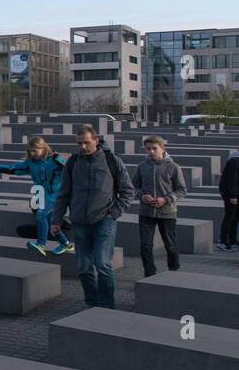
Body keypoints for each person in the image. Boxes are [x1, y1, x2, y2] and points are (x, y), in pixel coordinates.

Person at [52, 125, 135, 309]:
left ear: (96, 141)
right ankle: (92, 303)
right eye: (79, 143)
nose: (82, 147)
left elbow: (128, 191)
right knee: (84, 266)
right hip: (79, 221)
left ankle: (107, 306)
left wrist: (113, 213)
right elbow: (63, 194)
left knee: (102, 263)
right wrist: (56, 220)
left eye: (86, 143)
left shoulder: (112, 161)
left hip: (104, 220)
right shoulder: (73, 163)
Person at [0, 136, 72, 257]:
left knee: (41, 213)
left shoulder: (54, 160)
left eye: (34, 150)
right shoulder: (30, 163)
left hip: (56, 195)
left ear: (43, 148)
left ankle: (41, 243)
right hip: (42, 195)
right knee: (48, 222)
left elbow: (70, 168)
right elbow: (15, 168)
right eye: (30, 151)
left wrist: (58, 158)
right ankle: (65, 243)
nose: (32, 153)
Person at [132, 135, 187, 276]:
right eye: (148, 149)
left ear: (163, 148)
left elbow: (182, 190)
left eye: (154, 149)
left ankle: (173, 271)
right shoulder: (142, 166)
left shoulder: (173, 167)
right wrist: (141, 196)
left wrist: (166, 199)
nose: (151, 152)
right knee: (145, 246)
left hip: (167, 212)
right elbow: (134, 187)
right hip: (146, 212)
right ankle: (150, 274)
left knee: (170, 245)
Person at [218, 149, 239, 251]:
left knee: (235, 217)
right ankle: (223, 241)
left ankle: (232, 240)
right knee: (230, 216)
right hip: (231, 194)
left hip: (235, 192)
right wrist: (233, 196)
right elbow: (232, 180)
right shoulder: (234, 160)